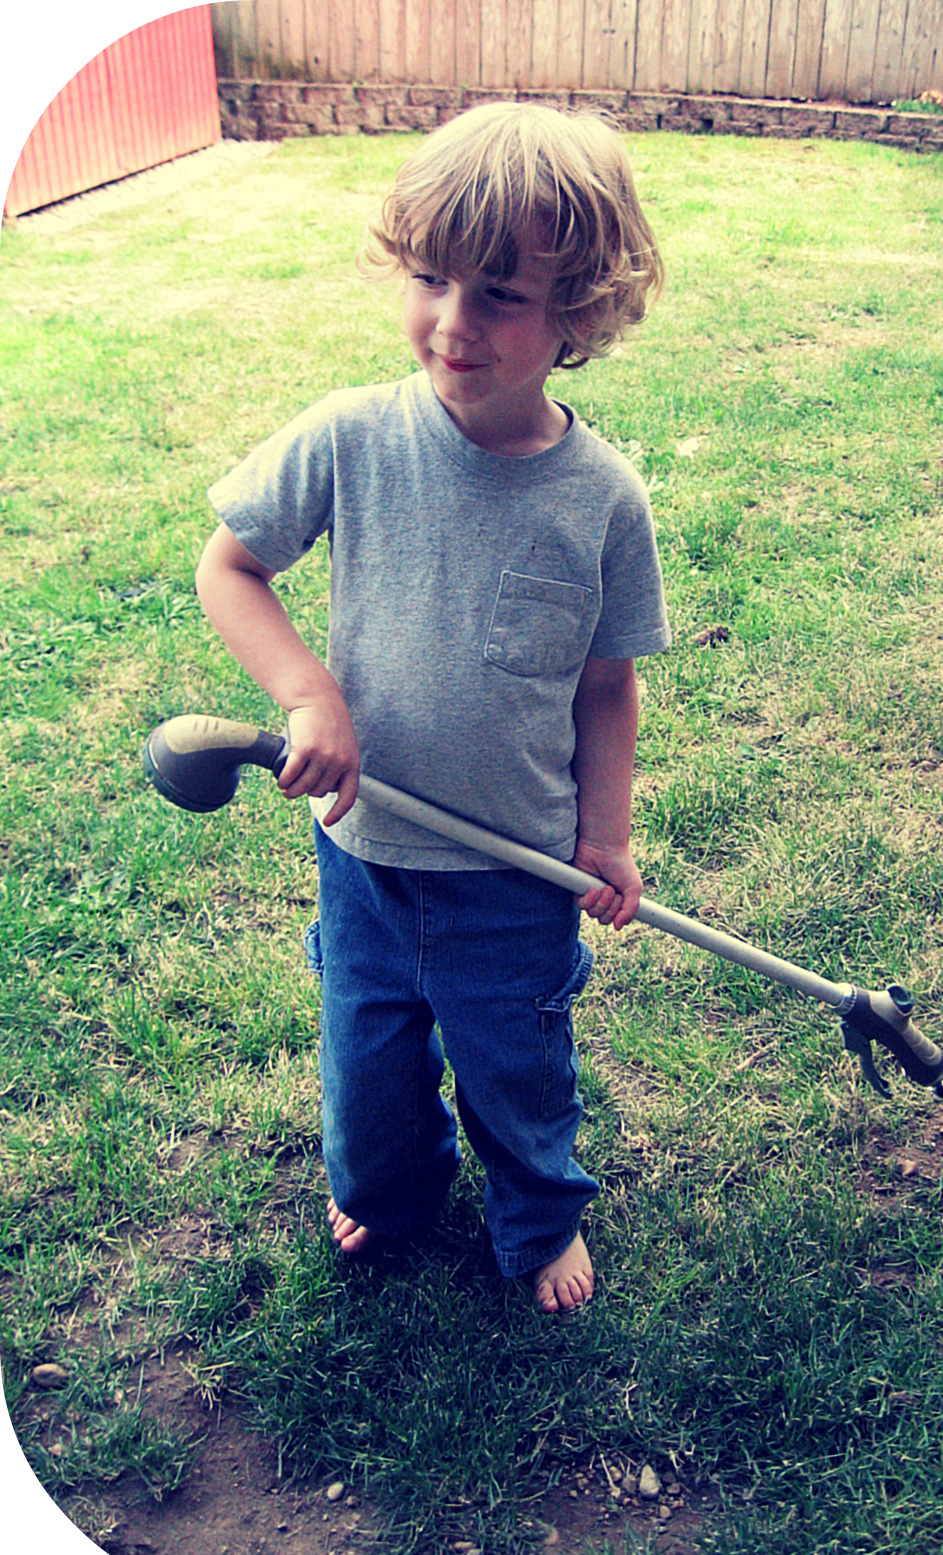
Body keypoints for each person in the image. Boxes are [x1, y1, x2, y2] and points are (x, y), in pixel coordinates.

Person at [194, 102, 671, 1313]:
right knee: (369, 1061)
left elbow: (607, 684)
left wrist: (604, 837)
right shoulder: (351, 438)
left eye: (502, 295)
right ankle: (393, 1188)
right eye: (430, 279)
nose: (453, 324)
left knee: (515, 1062)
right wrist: (309, 692)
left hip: (513, 870)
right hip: (364, 854)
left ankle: (539, 1211)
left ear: (582, 311)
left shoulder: (602, 501)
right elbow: (228, 566)